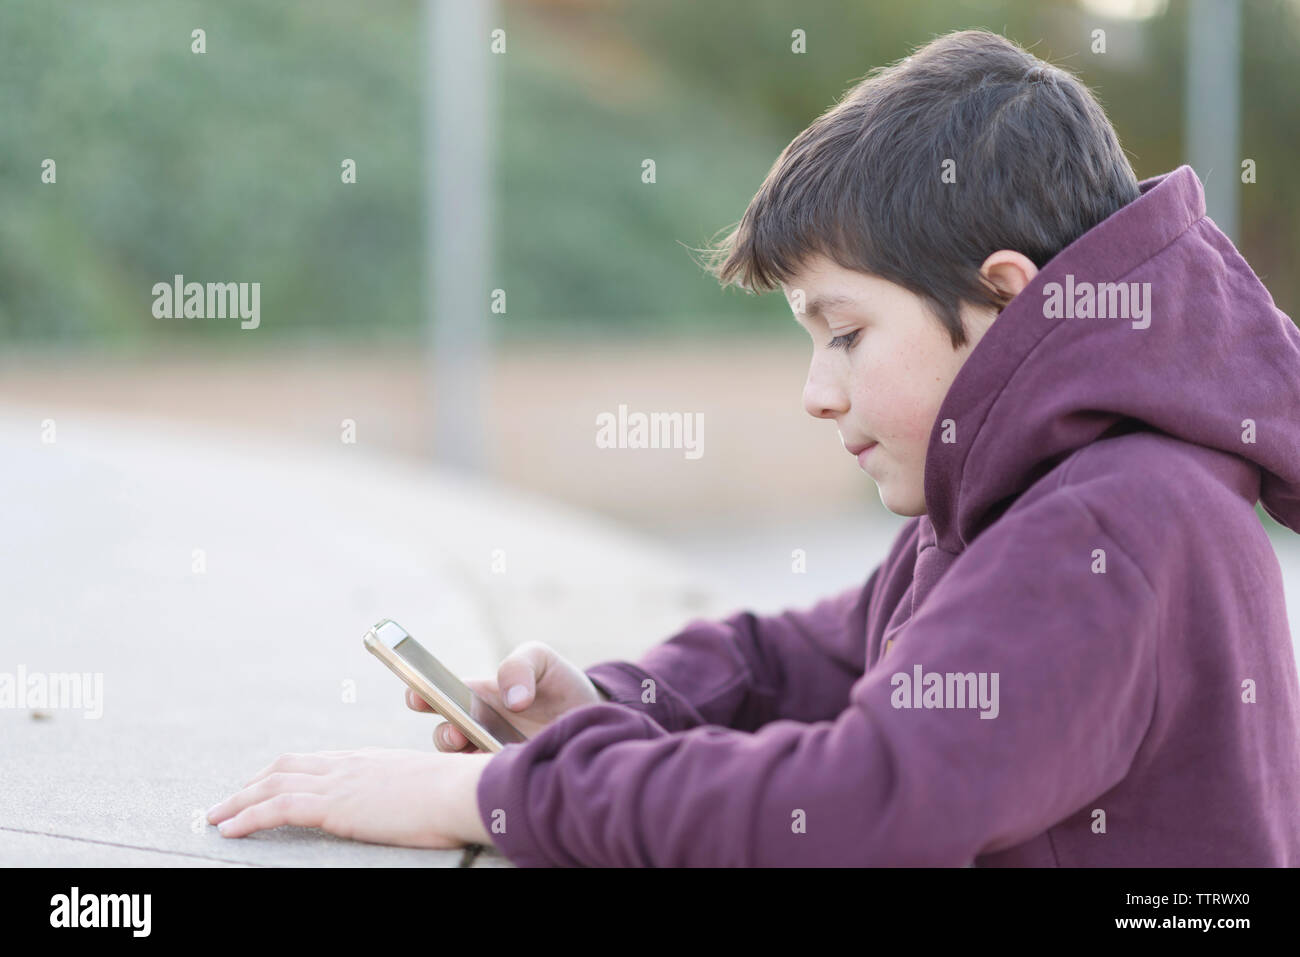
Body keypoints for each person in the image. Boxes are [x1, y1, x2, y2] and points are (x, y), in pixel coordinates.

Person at [208, 28, 1300, 866]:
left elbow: (865, 802)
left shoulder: (1110, 525)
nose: (817, 394)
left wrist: (486, 802)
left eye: (846, 334)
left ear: (1002, 301)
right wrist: (614, 705)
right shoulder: (1033, 492)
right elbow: (819, 657)